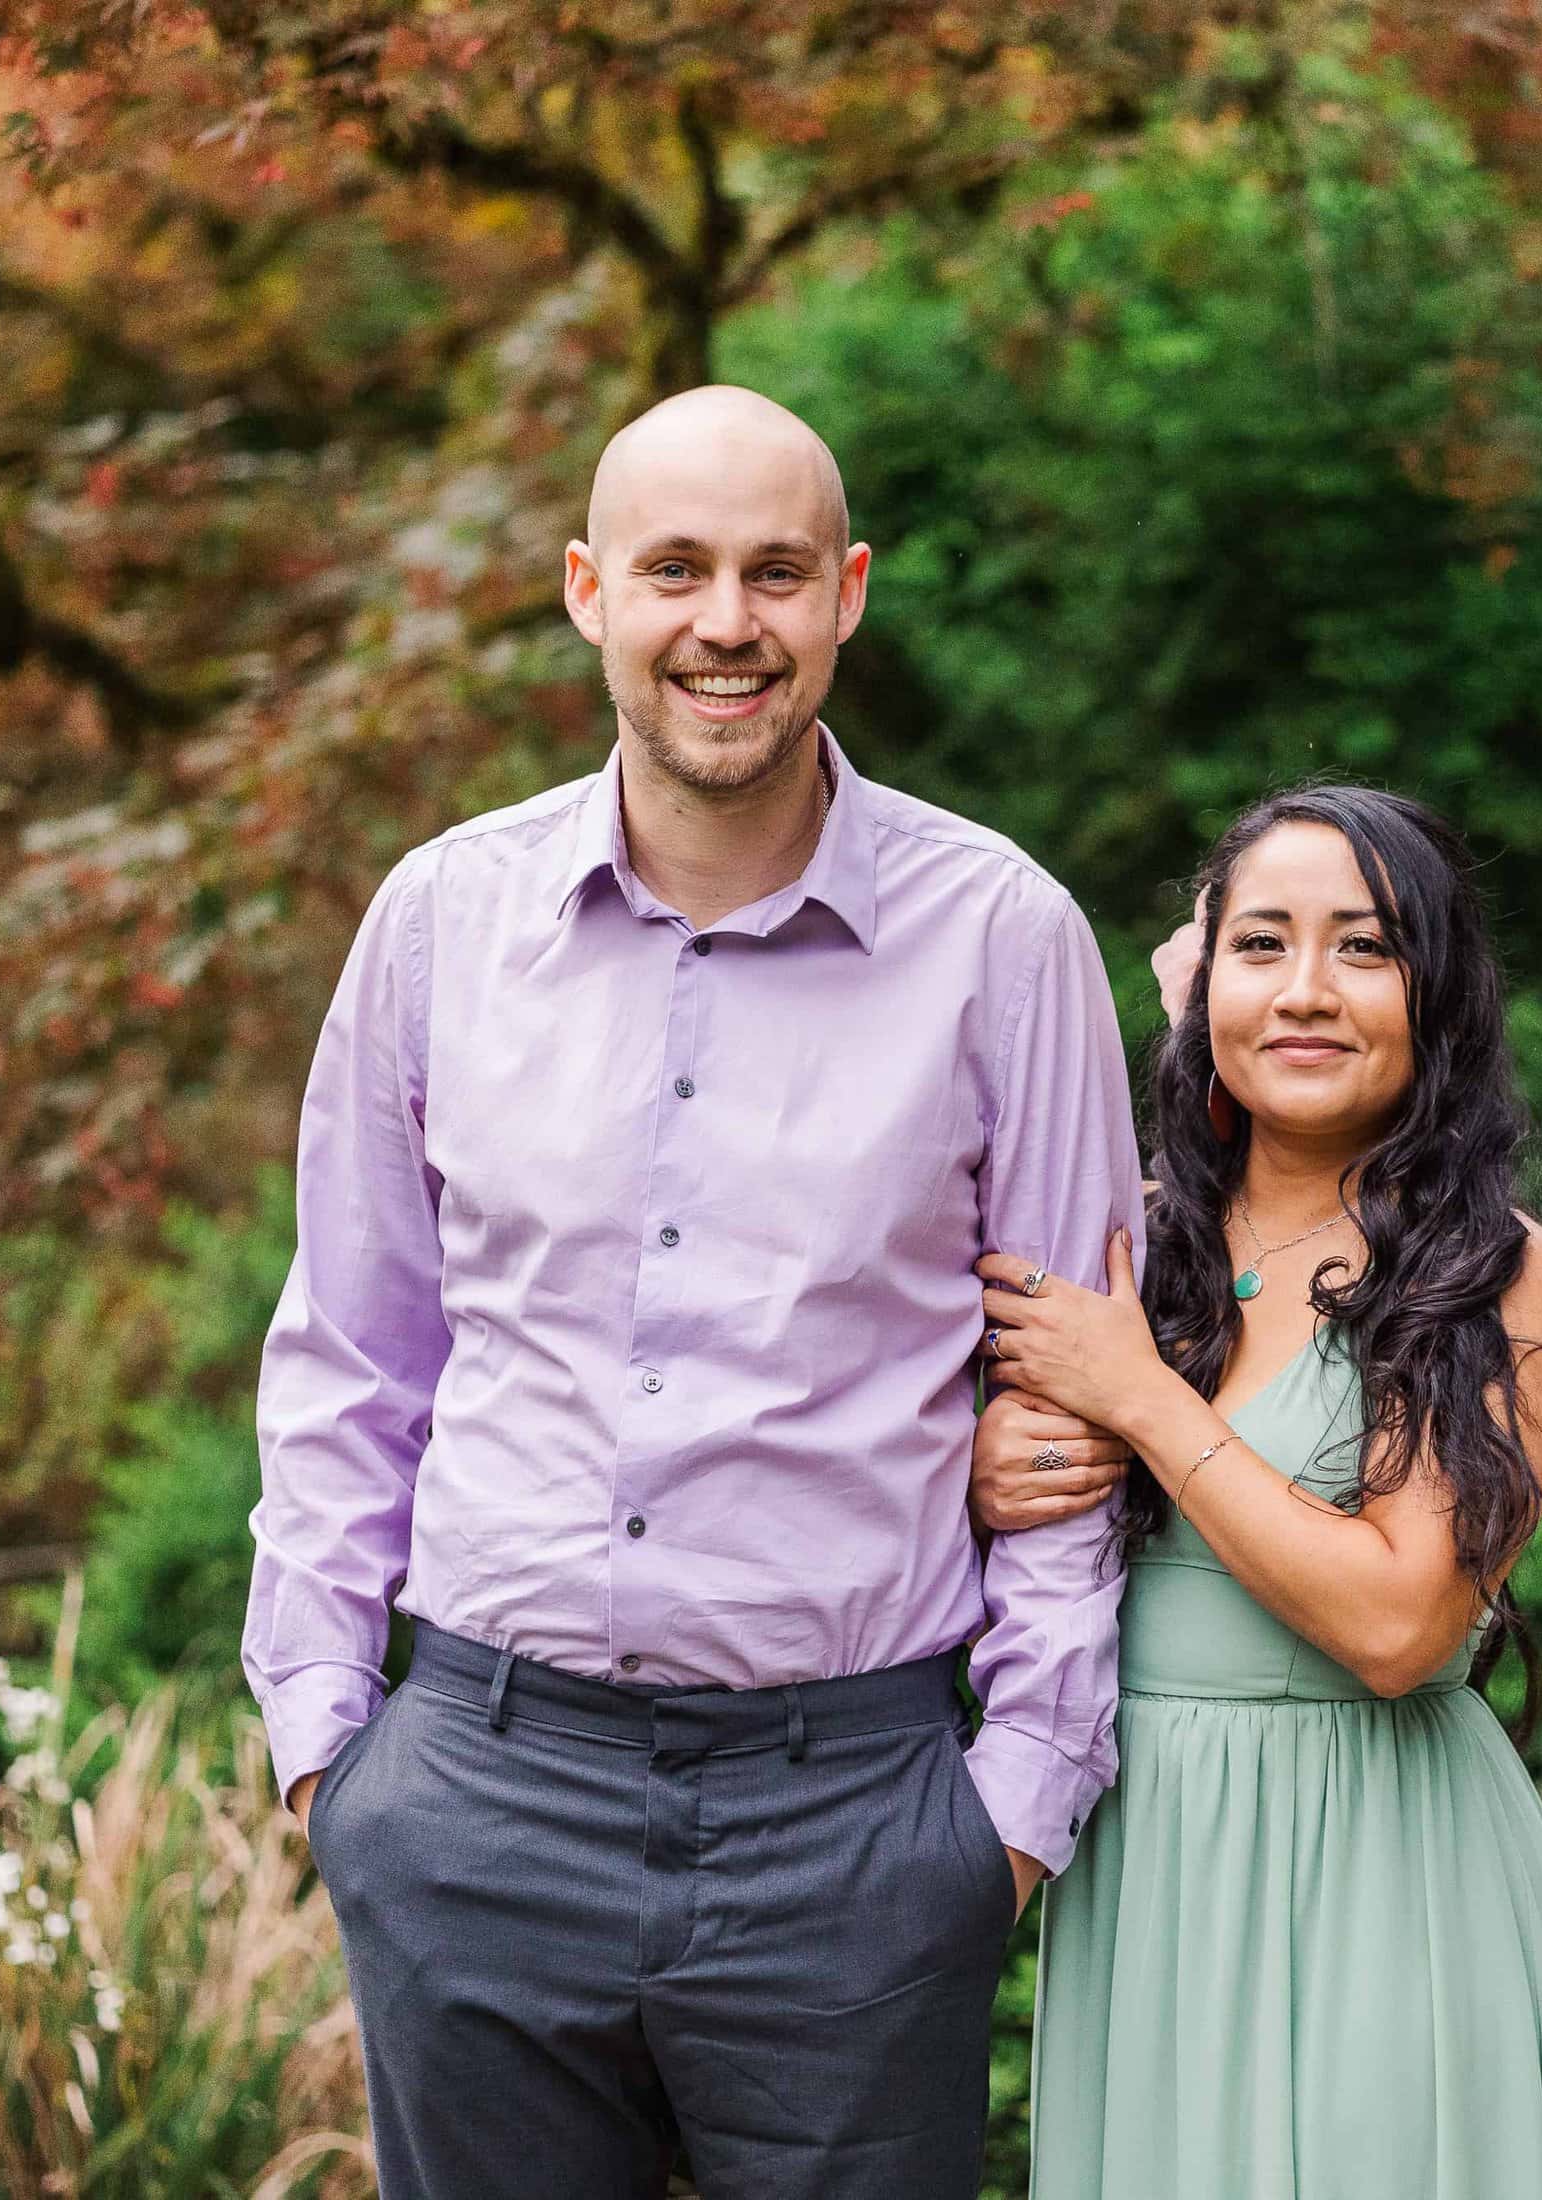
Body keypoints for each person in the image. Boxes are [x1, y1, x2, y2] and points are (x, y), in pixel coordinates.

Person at [241, 383, 1146, 2200]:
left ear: (847, 596)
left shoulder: (1006, 940)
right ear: (588, 591)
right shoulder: (440, 922)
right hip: (480, 1802)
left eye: (774, 573)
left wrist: (1021, 1798)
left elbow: (1079, 1392)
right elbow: (352, 1351)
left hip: (858, 1830)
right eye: (675, 570)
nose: (725, 622)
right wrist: (332, 1751)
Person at [972, 785, 1542, 2198]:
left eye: (1364, 949)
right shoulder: (1121, 1251)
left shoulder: (1498, 1277)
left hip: (1383, 1879)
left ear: (1435, 994)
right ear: (1202, 992)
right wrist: (973, 1481)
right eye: (1261, 947)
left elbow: (1401, 1628)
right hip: (1150, 1878)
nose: (1307, 992)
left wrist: (1143, 1401)